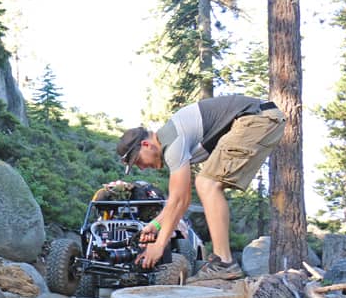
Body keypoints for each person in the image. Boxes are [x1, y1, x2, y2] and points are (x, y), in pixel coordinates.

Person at [116, 94, 286, 280]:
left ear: (146, 144)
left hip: (256, 118)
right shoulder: (171, 138)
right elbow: (179, 201)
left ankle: (224, 263)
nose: (141, 167)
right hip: (261, 116)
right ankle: (223, 261)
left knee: (207, 183)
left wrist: (158, 246)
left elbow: (180, 200)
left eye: (138, 160)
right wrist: (156, 224)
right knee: (207, 182)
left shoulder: (172, 144)